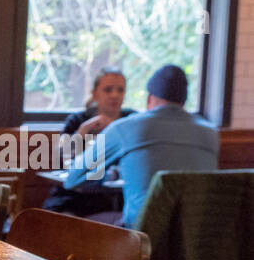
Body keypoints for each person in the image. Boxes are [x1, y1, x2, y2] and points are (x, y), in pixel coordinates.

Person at [62, 64, 219, 228]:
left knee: (74, 227)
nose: (114, 95)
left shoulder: (125, 127)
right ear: (184, 101)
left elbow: (72, 179)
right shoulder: (211, 133)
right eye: (108, 90)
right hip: (196, 234)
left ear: (149, 99)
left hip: (142, 235)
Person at [43, 68, 136, 218]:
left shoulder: (131, 119)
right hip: (75, 199)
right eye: (108, 90)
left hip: (120, 200)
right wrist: (82, 131)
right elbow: (61, 159)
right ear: (94, 94)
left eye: (120, 90)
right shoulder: (78, 120)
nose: (115, 95)